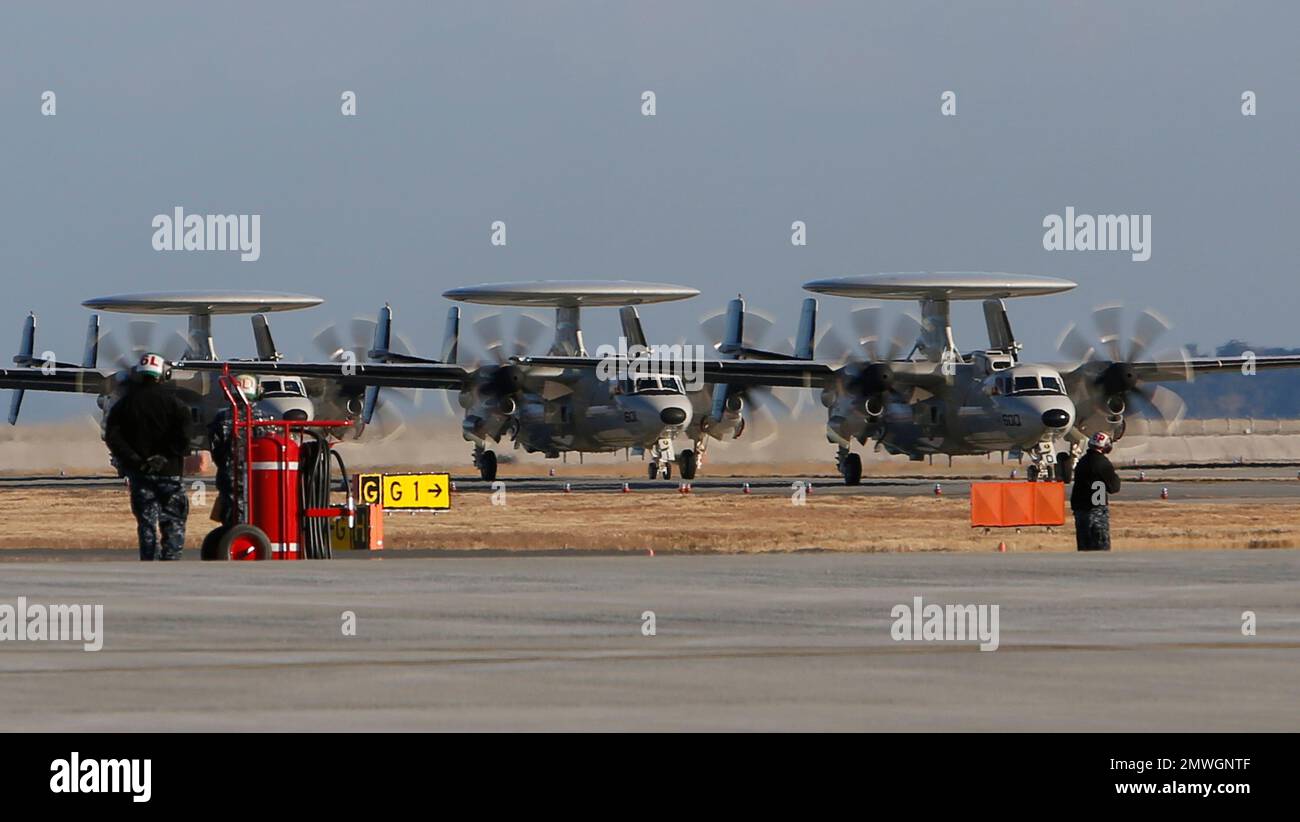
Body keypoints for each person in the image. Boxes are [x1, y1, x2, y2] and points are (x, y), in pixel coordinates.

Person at [104, 353, 193, 560]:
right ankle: (171, 559)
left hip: (140, 474)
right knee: (174, 520)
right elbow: (184, 437)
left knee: (146, 522)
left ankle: (148, 560)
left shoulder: (123, 406)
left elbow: (113, 437)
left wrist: (135, 459)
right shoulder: (176, 405)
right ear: (164, 374)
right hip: (169, 472)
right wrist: (164, 456)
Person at [207, 374, 270, 528]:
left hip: (229, 478)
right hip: (258, 478)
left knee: (230, 520)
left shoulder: (221, 418)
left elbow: (215, 450)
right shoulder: (265, 419)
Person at [1070, 431, 1121, 551]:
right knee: (1100, 547)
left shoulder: (1082, 462)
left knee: (1084, 547)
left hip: (1080, 510)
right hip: (1097, 509)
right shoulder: (1102, 463)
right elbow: (1114, 487)